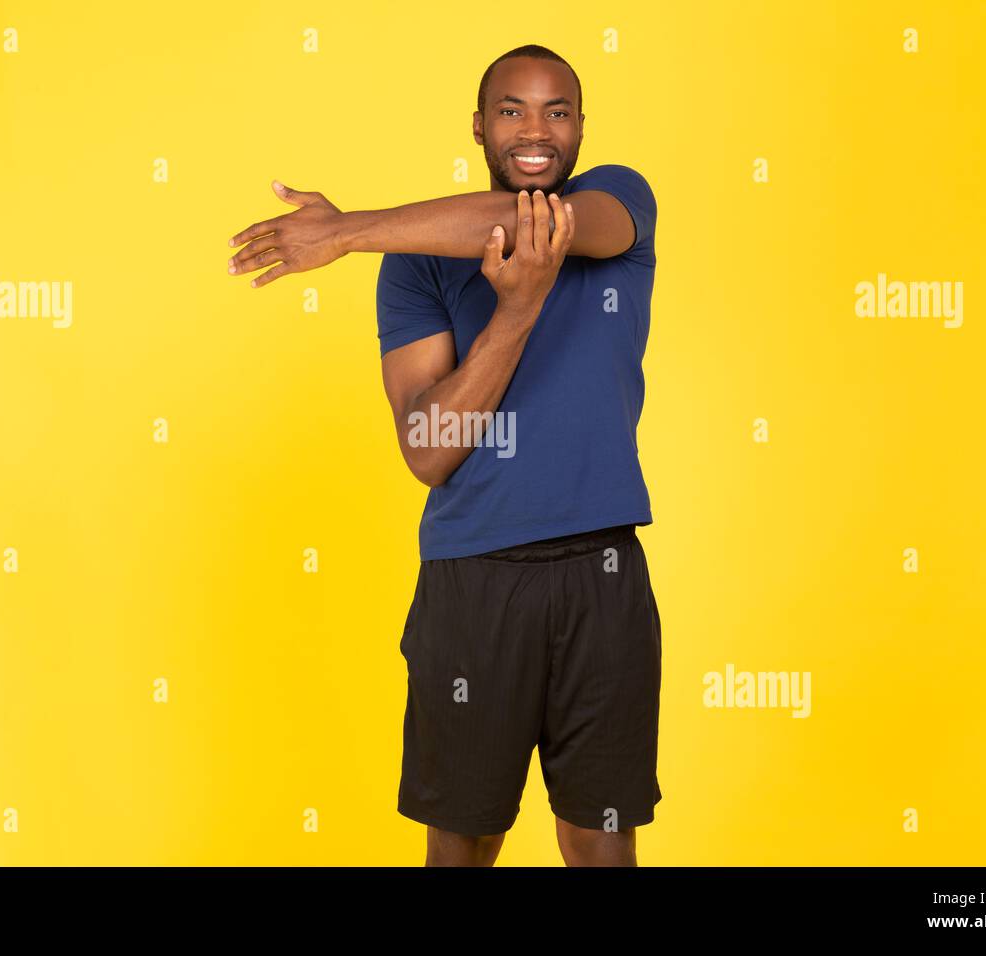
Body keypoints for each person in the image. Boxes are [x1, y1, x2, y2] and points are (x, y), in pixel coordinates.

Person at [228, 44, 662, 866]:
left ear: (580, 129)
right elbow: (428, 453)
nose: (536, 130)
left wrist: (345, 231)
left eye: (557, 111)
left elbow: (538, 226)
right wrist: (516, 311)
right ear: (478, 125)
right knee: (461, 844)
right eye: (511, 110)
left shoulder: (618, 204)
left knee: (602, 844)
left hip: (603, 576)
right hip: (472, 581)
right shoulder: (417, 260)